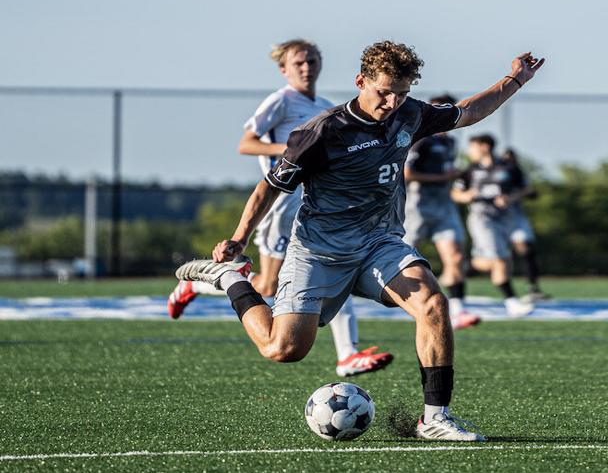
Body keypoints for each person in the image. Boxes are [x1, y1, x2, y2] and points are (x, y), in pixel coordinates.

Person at [175, 41, 544, 441]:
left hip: (379, 243)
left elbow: (469, 112)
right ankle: (230, 279)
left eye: (400, 93)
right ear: (360, 81)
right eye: (383, 91)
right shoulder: (321, 132)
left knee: (433, 303)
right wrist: (238, 239)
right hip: (319, 252)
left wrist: (515, 80)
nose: (391, 102)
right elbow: (269, 187)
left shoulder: (410, 114)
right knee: (283, 349)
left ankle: (435, 418)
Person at [167, 39, 393, 377]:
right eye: (299, 63)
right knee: (269, 286)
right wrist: (297, 148)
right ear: (284, 69)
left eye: (312, 61)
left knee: (331, 269)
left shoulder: (327, 105)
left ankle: (348, 354)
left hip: (314, 205)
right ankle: (200, 283)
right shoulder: (280, 101)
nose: (306, 67)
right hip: (280, 204)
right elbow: (246, 143)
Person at [402, 93, 482, 330]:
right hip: (417, 205)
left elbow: (450, 173)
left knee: (456, 256)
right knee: (402, 258)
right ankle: (406, 301)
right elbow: (407, 174)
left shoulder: (450, 142)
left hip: (443, 205)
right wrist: (443, 177)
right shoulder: (421, 140)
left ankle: (458, 310)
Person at [451, 135, 535, 317]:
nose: (469, 151)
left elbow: (526, 188)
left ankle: (460, 270)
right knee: (499, 259)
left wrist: (510, 198)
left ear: (484, 147)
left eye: (472, 147)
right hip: (482, 218)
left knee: (500, 260)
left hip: (506, 217)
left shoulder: (508, 167)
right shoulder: (471, 170)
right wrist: (467, 196)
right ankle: (512, 303)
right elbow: (456, 194)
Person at [499, 148, 550, 303]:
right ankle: (458, 287)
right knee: (488, 258)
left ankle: (532, 287)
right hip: (490, 219)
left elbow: (529, 191)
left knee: (526, 249)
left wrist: (516, 196)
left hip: (514, 217)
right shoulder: (487, 170)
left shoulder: (516, 172)